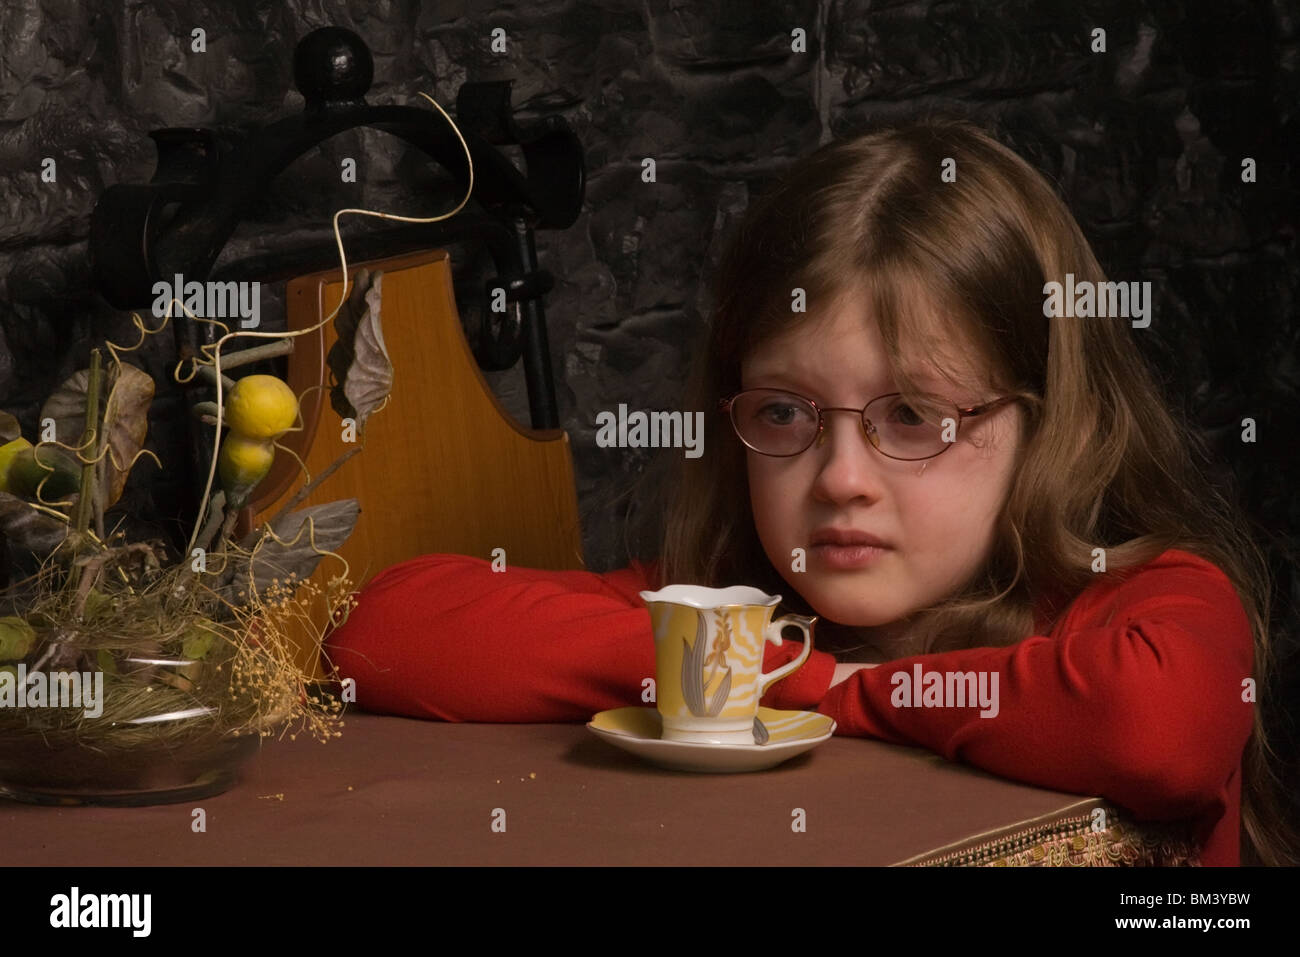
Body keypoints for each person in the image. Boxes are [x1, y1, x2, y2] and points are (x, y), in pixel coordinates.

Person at [324, 117, 1295, 867]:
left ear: (1045, 423)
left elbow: (1153, 731)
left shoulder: (1149, 604)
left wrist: (855, 694)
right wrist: (779, 673)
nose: (839, 481)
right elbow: (385, 631)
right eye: (786, 416)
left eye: (912, 417)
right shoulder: (745, 619)